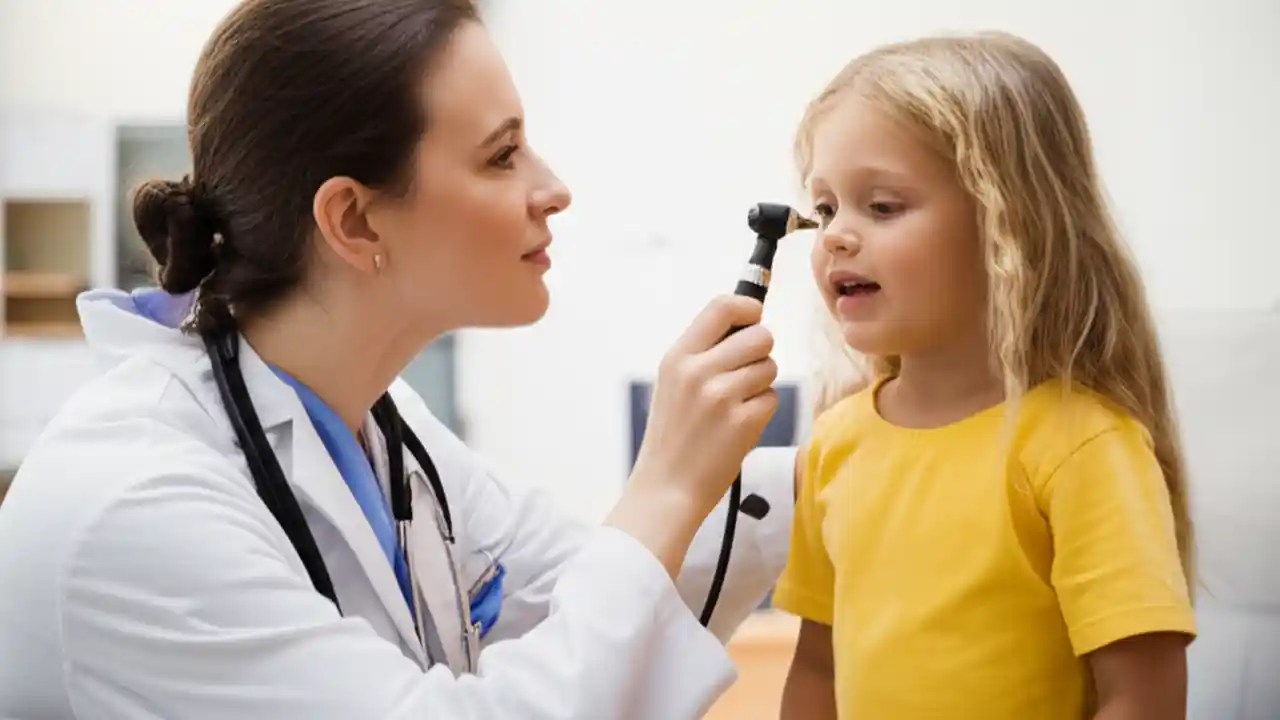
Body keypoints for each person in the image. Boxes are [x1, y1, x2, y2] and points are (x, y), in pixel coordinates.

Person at [0, 1, 800, 717]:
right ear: (354, 220)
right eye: (501, 155)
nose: (554, 188)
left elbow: (593, 598)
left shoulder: (381, 425)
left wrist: (847, 462)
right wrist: (664, 483)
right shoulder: (136, 506)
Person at [773, 32, 1197, 719]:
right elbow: (817, 669)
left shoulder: (1081, 448)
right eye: (826, 209)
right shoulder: (834, 445)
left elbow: (1143, 698)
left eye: (882, 207)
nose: (834, 237)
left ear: (1011, 226)